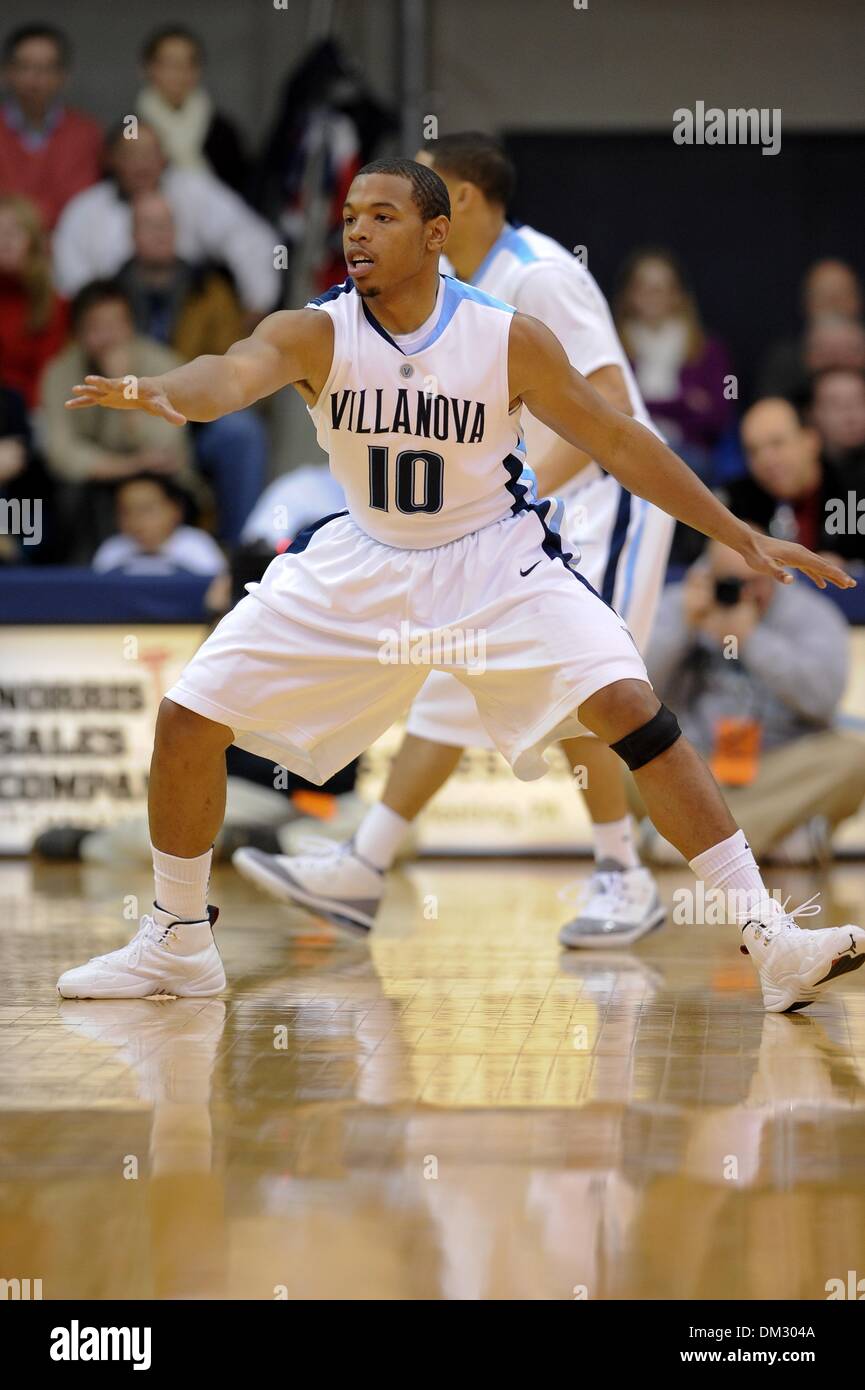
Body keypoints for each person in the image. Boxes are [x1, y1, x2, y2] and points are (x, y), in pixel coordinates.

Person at [55, 158, 863, 1017]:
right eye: (350, 217)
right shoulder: (317, 331)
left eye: (382, 216)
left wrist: (738, 535)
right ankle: (178, 939)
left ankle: (769, 936)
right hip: (365, 560)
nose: (357, 232)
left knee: (628, 704)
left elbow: (619, 442)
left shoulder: (507, 333)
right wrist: (162, 392)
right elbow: (225, 373)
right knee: (187, 719)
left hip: (494, 558)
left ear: (437, 233)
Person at [269, 131, 676, 947]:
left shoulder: (541, 274)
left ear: (469, 200)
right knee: (452, 678)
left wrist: (511, 497)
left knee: (587, 688)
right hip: (522, 512)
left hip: (602, 503)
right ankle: (364, 864)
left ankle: (623, 876)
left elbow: (610, 409)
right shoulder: (454, 282)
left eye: (430, 196)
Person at [636, 536, 865, 863]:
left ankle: (689, 844)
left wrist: (753, 640)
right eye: (729, 582)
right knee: (605, 749)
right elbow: (635, 696)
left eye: (753, 582)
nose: (742, 593)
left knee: (856, 758)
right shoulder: (681, 603)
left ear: (775, 573)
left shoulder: (812, 613)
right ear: (708, 575)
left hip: (779, 766)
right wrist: (683, 630)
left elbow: (822, 701)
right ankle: (777, 838)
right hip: (693, 765)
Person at [40, 279, 202, 558]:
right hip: (99, 478)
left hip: (161, 473)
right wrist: (128, 465)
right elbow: (61, 452)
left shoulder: (162, 364)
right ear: (78, 333)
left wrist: (128, 391)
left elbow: (167, 441)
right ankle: (85, 582)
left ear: (131, 325)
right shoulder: (59, 373)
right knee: (68, 497)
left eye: (116, 325)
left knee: (162, 493)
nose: (109, 337)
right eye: (97, 328)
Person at [53, 122, 279, 317]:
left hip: (190, 326)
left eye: (149, 154)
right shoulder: (84, 210)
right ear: (111, 159)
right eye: (131, 155)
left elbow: (250, 238)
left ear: (163, 158)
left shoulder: (193, 190)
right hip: (116, 331)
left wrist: (257, 303)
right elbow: (71, 282)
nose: (142, 165)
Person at [613, 247, 734, 468]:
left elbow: (718, 418)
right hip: (628, 451)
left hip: (689, 455)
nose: (652, 297)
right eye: (643, 288)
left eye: (660, 289)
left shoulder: (707, 349)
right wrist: (685, 403)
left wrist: (644, 404)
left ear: (677, 295)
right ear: (629, 295)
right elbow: (609, 414)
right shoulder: (613, 348)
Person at [732, 393, 865, 570]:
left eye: (777, 444)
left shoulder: (855, 496)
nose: (766, 460)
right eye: (753, 451)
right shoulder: (740, 503)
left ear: (811, 441)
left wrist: (851, 570)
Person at [0, 24, 103, 230]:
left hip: (68, 246)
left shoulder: (88, 134)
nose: (34, 78)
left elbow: (87, 204)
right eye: (25, 67)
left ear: (64, 77)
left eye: (45, 68)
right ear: (7, 73)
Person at [136, 27, 249, 198]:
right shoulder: (131, 129)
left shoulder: (222, 131)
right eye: (170, 63)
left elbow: (238, 193)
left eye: (189, 64)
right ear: (147, 68)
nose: (180, 73)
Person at [758, 259, 864, 402]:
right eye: (823, 296)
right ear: (807, 303)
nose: (833, 304)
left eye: (841, 295)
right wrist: (808, 368)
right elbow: (768, 405)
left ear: (858, 300)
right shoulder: (786, 357)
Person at [0, 193, 68, 409]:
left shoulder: (52, 304)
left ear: (34, 242)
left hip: (30, 414)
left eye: (14, 231)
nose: (5, 239)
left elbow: (48, 377)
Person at [91, 472, 226, 577]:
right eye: (125, 511)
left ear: (175, 510)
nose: (135, 519)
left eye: (146, 509)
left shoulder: (198, 545)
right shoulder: (111, 550)